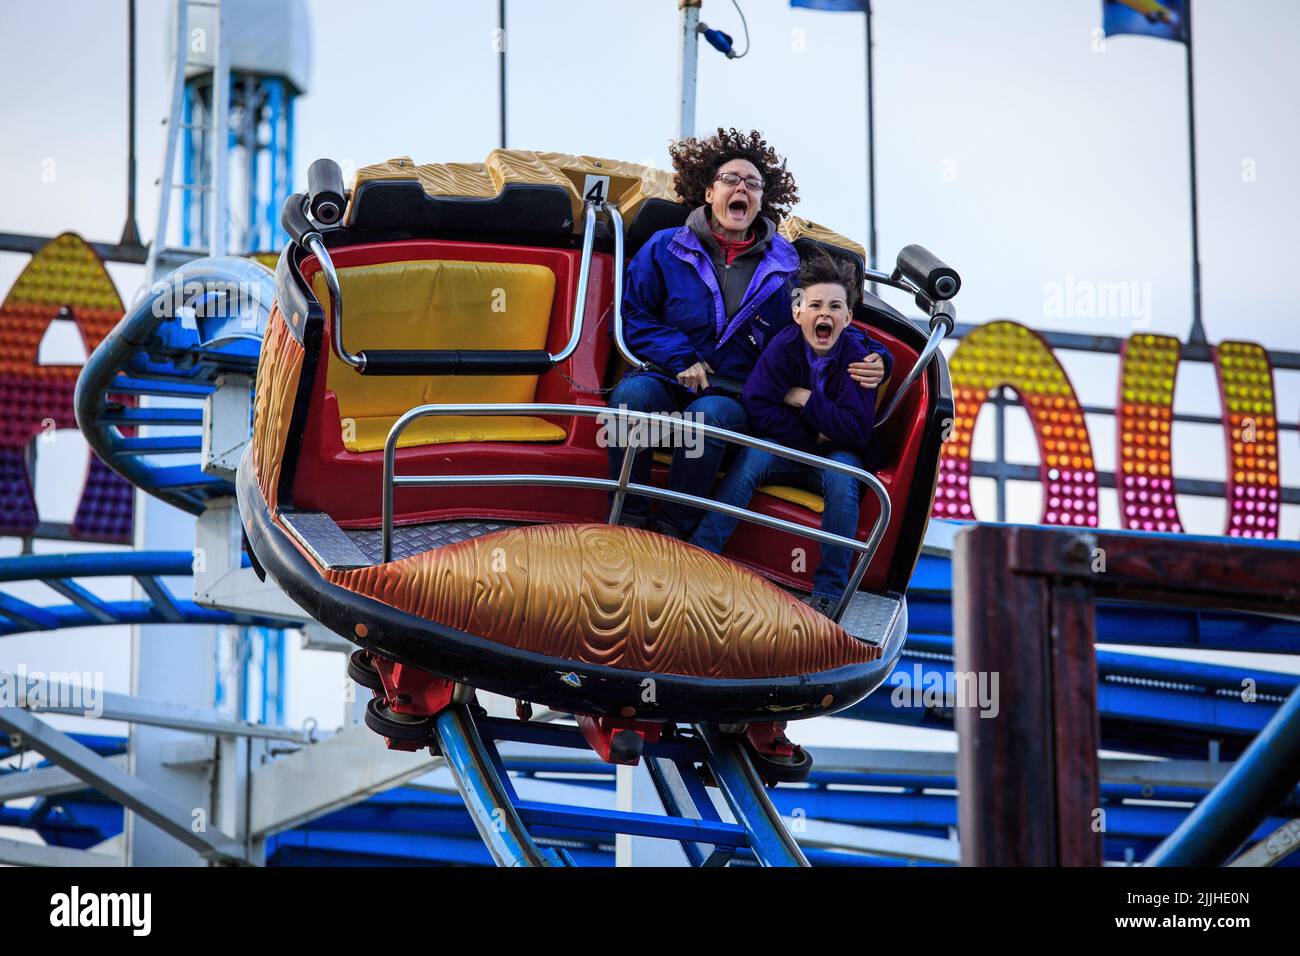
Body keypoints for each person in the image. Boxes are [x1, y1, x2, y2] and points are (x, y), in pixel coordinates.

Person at [607, 128, 800, 539]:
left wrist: (878, 359)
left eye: (753, 184)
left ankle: (675, 534)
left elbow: (813, 334)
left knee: (706, 419)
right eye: (731, 179)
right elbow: (633, 316)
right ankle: (627, 520)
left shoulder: (787, 271)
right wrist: (681, 358)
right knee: (629, 400)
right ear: (709, 193)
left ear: (761, 200)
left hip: (732, 397)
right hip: (665, 377)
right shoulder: (664, 247)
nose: (742, 188)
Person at [689, 252, 892, 617]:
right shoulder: (783, 347)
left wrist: (806, 399)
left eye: (835, 307)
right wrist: (814, 435)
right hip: (792, 448)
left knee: (844, 476)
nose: (824, 314)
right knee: (752, 459)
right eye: (815, 305)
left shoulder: (859, 359)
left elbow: (856, 430)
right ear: (798, 312)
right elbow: (758, 406)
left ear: (848, 318)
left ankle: (830, 591)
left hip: (834, 456)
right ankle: (700, 554)